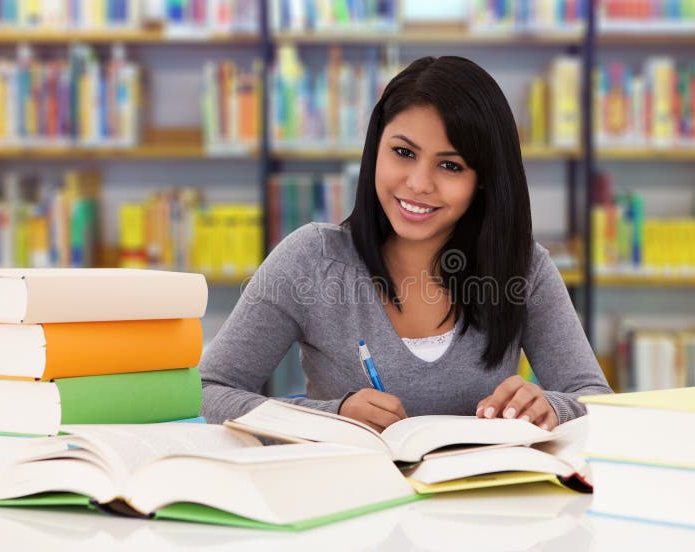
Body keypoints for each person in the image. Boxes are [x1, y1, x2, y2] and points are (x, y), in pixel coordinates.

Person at [200, 56, 611, 431]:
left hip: (480, 508)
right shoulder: (311, 259)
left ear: (482, 178)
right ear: (375, 149)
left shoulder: (523, 268)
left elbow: (596, 402)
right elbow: (207, 390)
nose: (418, 184)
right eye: (403, 152)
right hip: (346, 501)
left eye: (450, 165)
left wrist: (554, 408)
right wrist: (332, 415)